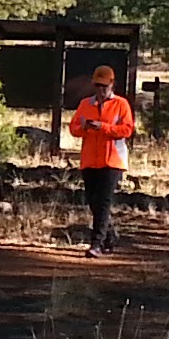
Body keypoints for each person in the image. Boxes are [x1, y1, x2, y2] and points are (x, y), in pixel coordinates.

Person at [68, 65, 135, 258]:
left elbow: (127, 130)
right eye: (97, 85)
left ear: (112, 84)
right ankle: (109, 236)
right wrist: (85, 128)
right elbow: (73, 129)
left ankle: (96, 244)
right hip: (89, 160)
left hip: (112, 160)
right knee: (93, 203)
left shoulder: (121, 104)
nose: (100, 89)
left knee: (104, 203)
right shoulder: (85, 104)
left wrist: (103, 127)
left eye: (104, 85)